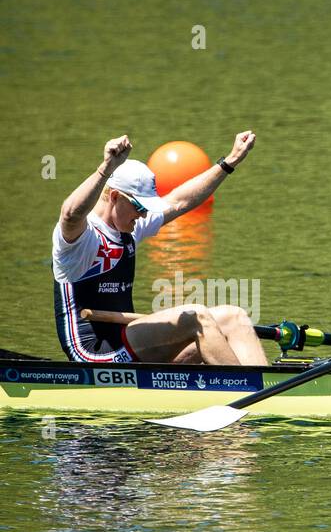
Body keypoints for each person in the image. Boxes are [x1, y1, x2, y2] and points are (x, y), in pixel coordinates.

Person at [53, 132, 266, 365]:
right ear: (114, 196)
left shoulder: (129, 227)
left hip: (128, 344)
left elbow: (180, 201)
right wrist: (105, 168)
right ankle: (242, 389)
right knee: (197, 316)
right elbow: (70, 214)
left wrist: (229, 162)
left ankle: (266, 389)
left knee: (234, 317)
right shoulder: (80, 238)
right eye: (140, 207)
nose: (144, 215)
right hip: (93, 353)